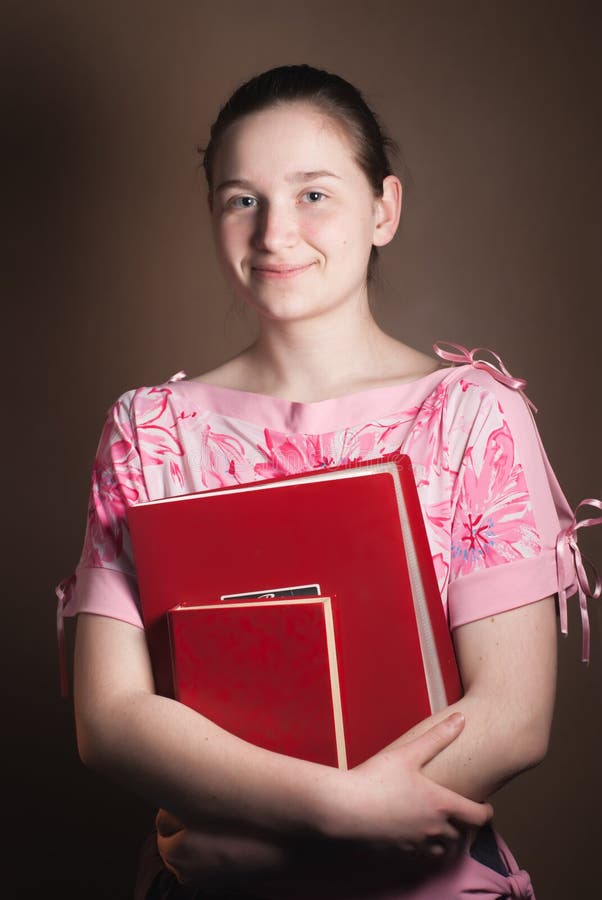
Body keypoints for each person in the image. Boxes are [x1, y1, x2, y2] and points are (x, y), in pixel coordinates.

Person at [56, 63, 598, 899]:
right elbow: (111, 717)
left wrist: (284, 850)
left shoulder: (470, 415)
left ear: (383, 209)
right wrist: (329, 807)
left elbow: (513, 718)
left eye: (314, 194)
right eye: (242, 199)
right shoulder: (149, 429)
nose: (275, 232)